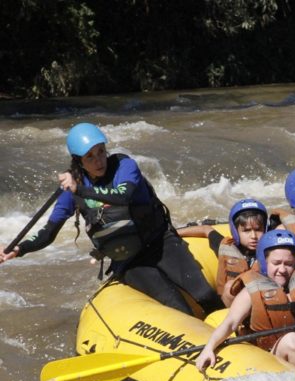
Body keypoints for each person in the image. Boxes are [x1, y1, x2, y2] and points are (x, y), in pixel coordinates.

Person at [0, 122, 221, 316]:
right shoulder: (71, 190)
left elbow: (123, 196)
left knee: (205, 294)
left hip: (161, 243)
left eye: (101, 151)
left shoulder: (124, 166)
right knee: (176, 306)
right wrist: (20, 248)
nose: (99, 160)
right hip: (129, 261)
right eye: (90, 156)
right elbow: (49, 232)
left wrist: (80, 190)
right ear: (78, 161)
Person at [196, 229, 295, 371]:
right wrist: (209, 348)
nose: (282, 269)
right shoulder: (251, 291)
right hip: (266, 356)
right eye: (276, 263)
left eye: (288, 264)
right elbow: (230, 323)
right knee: (292, 341)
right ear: (264, 262)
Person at [177, 198, 267, 306]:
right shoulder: (227, 247)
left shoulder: (272, 250)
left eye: (258, 230)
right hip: (231, 307)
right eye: (246, 231)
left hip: (261, 302)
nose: (253, 236)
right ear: (235, 231)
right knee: (230, 286)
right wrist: (171, 233)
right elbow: (206, 229)